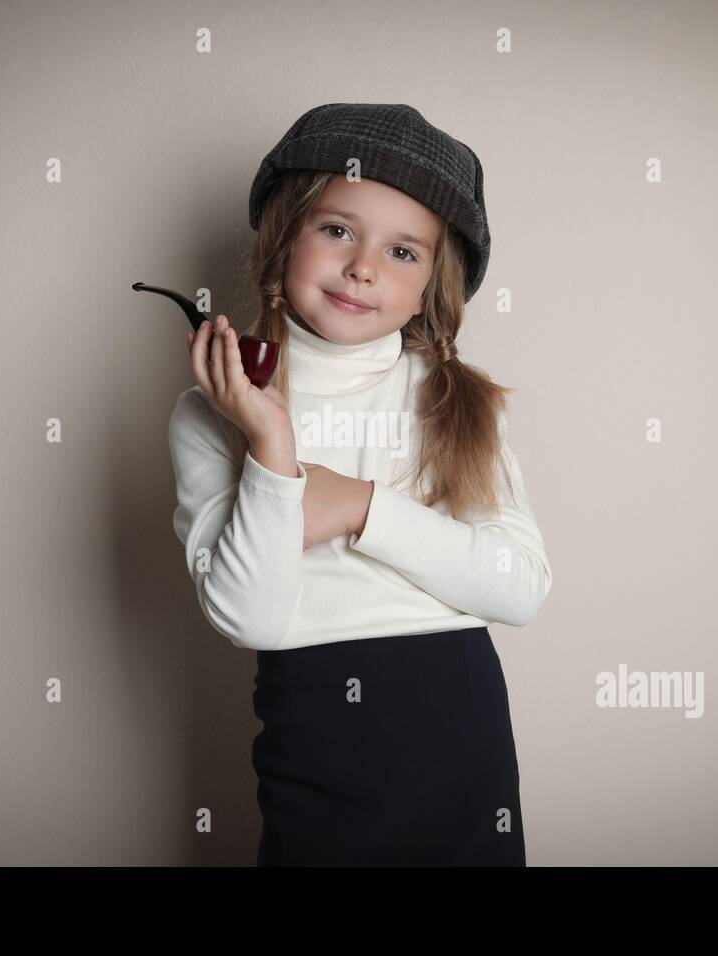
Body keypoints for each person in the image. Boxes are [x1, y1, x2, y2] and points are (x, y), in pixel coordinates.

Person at [167, 103, 553, 866]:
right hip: (313, 725)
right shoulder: (207, 416)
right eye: (337, 229)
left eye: (404, 252)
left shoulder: (452, 403)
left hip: (457, 727)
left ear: (430, 292)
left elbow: (519, 588)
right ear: (283, 238)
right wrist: (271, 442)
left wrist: (356, 504)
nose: (363, 267)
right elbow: (253, 617)